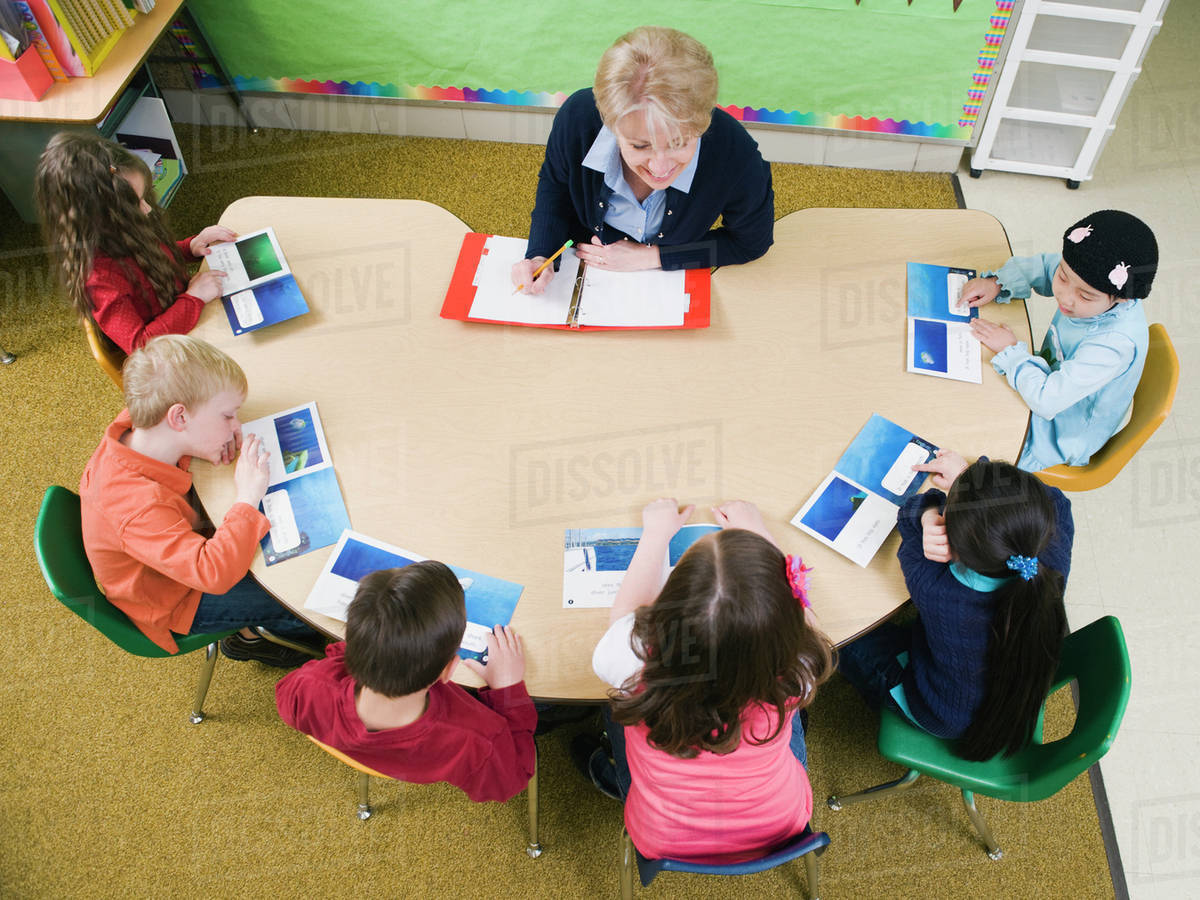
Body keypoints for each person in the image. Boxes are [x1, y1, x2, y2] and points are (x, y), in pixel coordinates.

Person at [584, 498, 834, 862]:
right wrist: (757, 532)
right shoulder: (801, 665)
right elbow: (802, 613)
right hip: (780, 825)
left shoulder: (633, 657)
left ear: (668, 607)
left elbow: (624, 614)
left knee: (614, 708)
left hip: (664, 838)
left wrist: (655, 535)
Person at [80, 334, 324, 667]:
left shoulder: (143, 423)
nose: (236, 424)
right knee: (301, 597)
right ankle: (250, 639)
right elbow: (213, 574)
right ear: (179, 418)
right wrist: (248, 496)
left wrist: (205, 441)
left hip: (184, 550)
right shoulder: (137, 508)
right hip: (181, 598)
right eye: (228, 416)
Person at [837, 450, 1073, 761]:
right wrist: (974, 483)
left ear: (952, 548)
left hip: (942, 710)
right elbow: (1055, 499)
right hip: (1009, 691)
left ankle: (876, 695)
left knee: (844, 636)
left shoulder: (935, 587)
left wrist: (926, 513)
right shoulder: (1051, 548)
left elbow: (908, 517)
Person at [512, 26, 774, 294]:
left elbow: (749, 242)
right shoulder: (577, 119)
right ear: (610, 123)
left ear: (702, 123)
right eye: (640, 145)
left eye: (679, 143)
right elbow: (555, 187)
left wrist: (653, 257)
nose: (660, 168)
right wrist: (539, 254)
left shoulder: (735, 153)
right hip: (583, 267)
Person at [276, 562, 537, 803]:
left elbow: (287, 696)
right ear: (448, 670)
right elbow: (511, 780)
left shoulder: (308, 689)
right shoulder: (479, 740)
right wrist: (507, 691)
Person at [962, 209, 1157, 472]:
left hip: (1056, 433)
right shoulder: (1084, 272)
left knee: (963, 441)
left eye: (1085, 297)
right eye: (1063, 277)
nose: (1065, 297)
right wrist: (997, 282)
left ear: (1121, 299)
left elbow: (1047, 401)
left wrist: (1011, 351)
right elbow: (1046, 266)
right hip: (1042, 382)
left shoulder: (1113, 345)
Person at [34, 131, 235, 354]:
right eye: (136, 204)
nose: (147, 209)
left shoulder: (121, 228)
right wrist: (193, 298)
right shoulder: (99, 280)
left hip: (188, 313)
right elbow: (141, 345)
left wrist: (190, 247)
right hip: (171, 352)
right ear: (95, 219)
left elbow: (151, 256)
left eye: (143, 197)